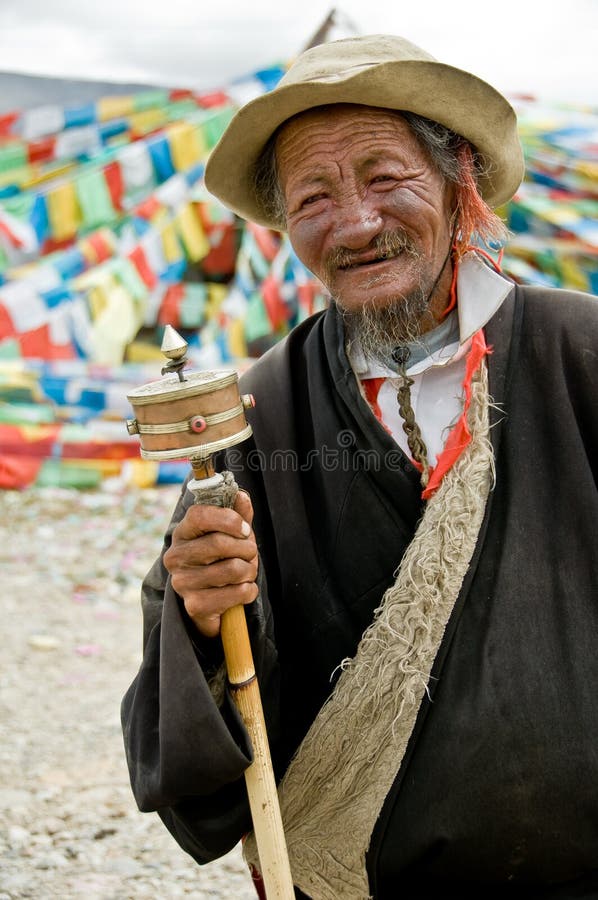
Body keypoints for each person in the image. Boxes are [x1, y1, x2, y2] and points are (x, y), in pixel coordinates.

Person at [121, 34, 598, 899]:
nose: (357, 222)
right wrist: (197, 606)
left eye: (385, 178)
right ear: (285, 226)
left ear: (460, 181)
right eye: (313, 196)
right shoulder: (258, 410)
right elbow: (198, 705)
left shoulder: (583, 354)